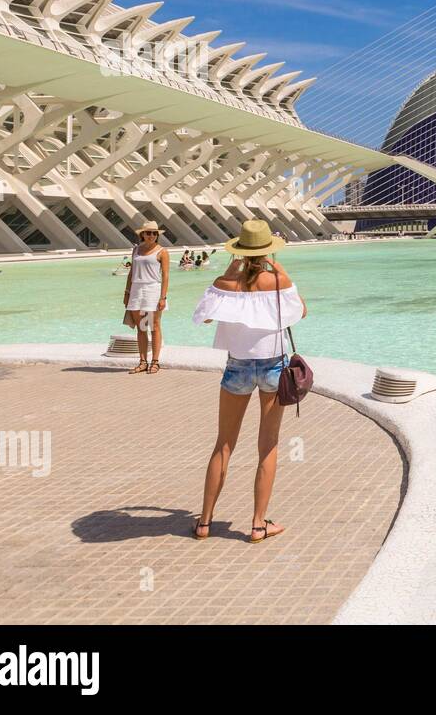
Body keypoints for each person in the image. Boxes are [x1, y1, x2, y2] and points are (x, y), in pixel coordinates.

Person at [191, 220, 306, 544]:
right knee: (267, 444)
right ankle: (258, 525)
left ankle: (204, 522)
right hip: (273, 366)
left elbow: (205, 316)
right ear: (268, 251)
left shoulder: (225, 284)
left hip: (237, 367)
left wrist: (233, 269)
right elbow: (303, 311)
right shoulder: (278, 280)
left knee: (223, 444)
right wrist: (274, 263)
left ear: (240, 251)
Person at [123, 222, 169, 374]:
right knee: (141, 328)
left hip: (152, 290)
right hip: (136, 290)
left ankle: (155, 362)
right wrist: (127, 292)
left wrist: (163, 297)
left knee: (154, 327)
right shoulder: (136, 250)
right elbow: (131, 272)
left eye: (154, 233)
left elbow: (166, 276)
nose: (152, 236)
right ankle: (143, 361)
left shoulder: (162, 251)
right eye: (148, 233)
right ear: (142, 234)